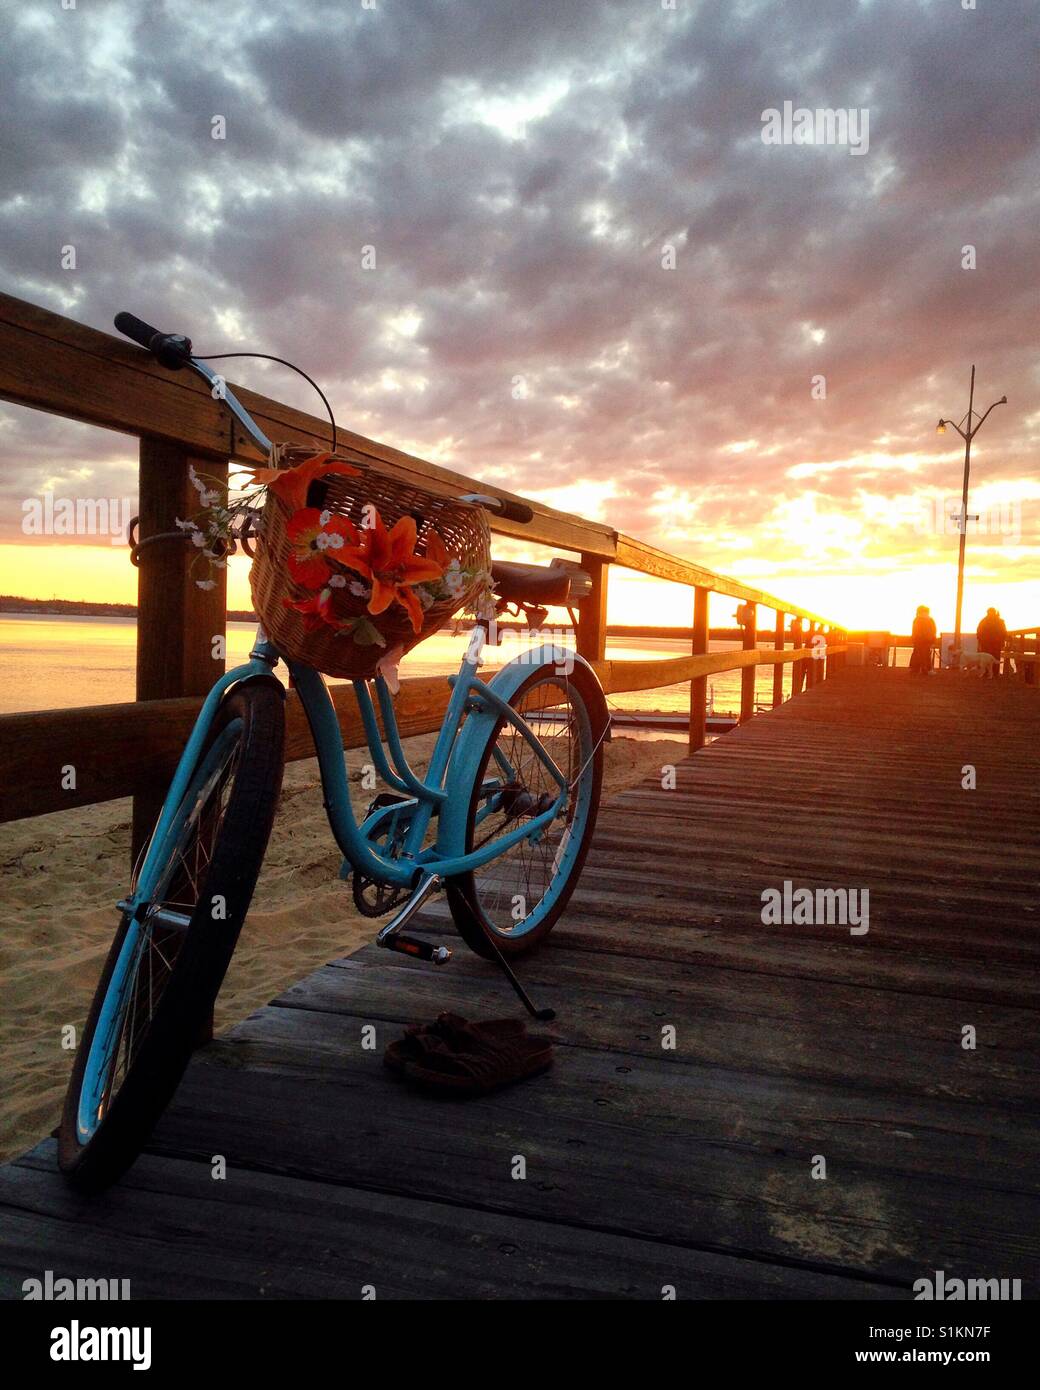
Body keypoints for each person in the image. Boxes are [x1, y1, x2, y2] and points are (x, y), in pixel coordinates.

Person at [976, 607, 1007, 677]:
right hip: (989, 643)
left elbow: (979, 632)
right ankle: (992, 673)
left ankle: (991, 673)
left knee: (991, 658)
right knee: (992, 658)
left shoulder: (984, 621)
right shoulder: (999, 621)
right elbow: (1004, 632)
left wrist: (979, 641)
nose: (990, 613)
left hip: (991, 643)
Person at [910, 605, 936, 674]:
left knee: (917, 654)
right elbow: (933, 631)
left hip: (918, 640)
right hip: (927, 640)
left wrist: (914, 639)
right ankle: (927, 669)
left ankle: (915, 669)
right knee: (926, 654)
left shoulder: (917, 620)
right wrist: (933, 640)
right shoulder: (930, 620)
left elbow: (914, 631)